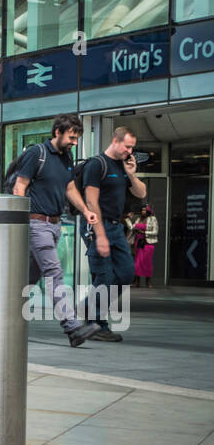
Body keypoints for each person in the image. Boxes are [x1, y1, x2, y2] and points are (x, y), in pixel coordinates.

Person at [12, 114, 101, 347]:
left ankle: (3, 316)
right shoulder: (37, 154)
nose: (74, 142)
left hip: (54, 225)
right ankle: (73, 329)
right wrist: (20, 222)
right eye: (71, 137)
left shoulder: (66, 157)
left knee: (28, 278)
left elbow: (69, 187)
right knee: (54, 273)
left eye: (77, 138)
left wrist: (84, 211)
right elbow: (19, 187)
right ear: (58, 133)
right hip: (35, 223)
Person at [82, 126, 147, 338]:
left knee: (127, 273)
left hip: (116, 227)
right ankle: (97, 324)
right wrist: (100, 234)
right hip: (97, 225)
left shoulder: (122, 166)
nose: (130, 151)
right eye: (127, 146)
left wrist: (131, 174)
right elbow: (91, 201)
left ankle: (87, 309)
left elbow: (141, 192)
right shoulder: (97, 164)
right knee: (104, 275)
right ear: (116, 141)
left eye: (132, 147)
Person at [132, 204, 158, 287]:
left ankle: (148, 282)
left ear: (148, 211)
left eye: (144, 210)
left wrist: (144, 232)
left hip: (148, 243)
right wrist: (135, 229)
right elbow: (132, 227)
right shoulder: (139, 219)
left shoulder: (152, 219)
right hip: (138, 242)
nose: (143, 211)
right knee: (137, 263)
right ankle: (136, 282)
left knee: (147, 263)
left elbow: (155, 232)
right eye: (142, 210)